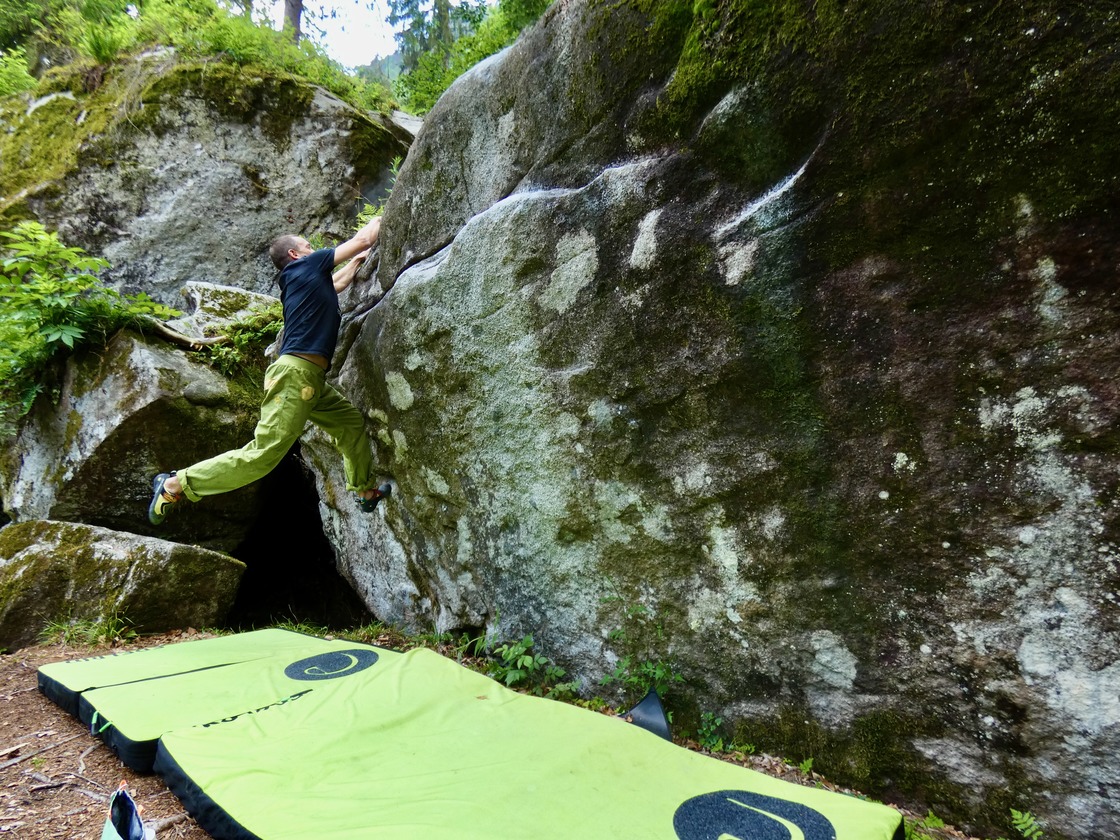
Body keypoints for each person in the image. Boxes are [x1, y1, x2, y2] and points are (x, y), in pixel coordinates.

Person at [148, 217, 390, 525]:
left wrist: (355, 262)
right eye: (308, 246)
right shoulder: (306, 266)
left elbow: (338, 283)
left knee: (349, 423)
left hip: (309, 379)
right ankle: (176, 484)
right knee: (263, 454)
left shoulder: (303, 281)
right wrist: (382, 218)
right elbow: (363, 240)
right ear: (295, 254)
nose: (313, 248)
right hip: (295, 376)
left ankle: (364, 492)